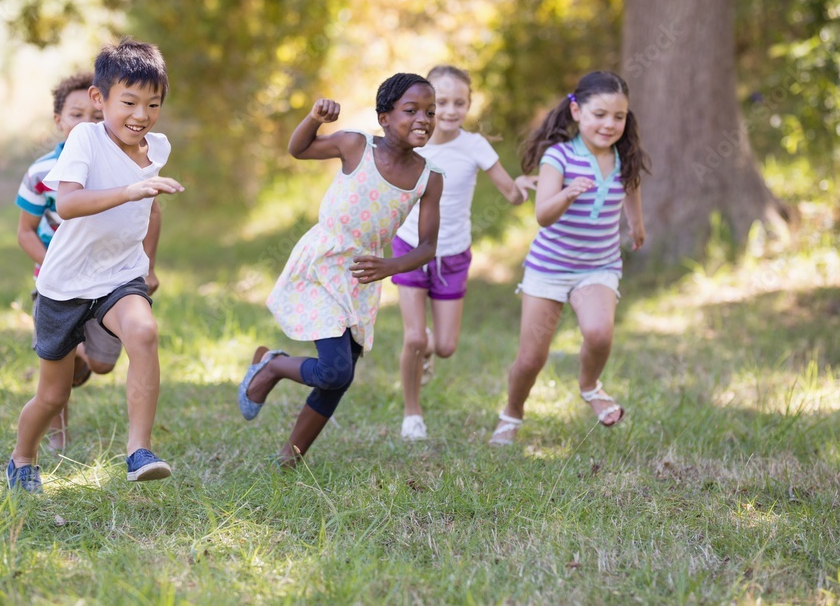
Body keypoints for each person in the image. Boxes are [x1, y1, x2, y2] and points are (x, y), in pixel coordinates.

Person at [236, 73, 445, 467]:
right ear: (384, 117)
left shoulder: (429, 178)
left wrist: (391, 266)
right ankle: (274, 365)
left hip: (362, 274)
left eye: (430, 112)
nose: (424, 119)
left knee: (341, 375)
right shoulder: (355, 145)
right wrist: (314, 118)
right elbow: (299, 149)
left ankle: (290, 457)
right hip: (322, 263)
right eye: (411, 110)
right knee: (333, 370)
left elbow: (428, 247)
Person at [7, 39, 183, 493]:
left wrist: (149, 265)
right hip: (64, 284)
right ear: (99, 99)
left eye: (153, 104)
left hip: (119, 276)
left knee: (144, 333)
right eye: (129, 102)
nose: (141, 115)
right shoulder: (85, 138)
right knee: (52, 396)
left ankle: (138, 451)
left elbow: (153, 210)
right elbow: (67, 203)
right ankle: (22, 459)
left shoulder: (156, 149)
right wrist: (129, 191)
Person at [489, 70, 650, 446]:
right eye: (599, 114)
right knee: (531, 359)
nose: (609, 124)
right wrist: (567, 195)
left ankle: (590, 386)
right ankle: (511, 414)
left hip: (599, 266)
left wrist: (637, 225)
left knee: (598, 333)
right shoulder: (558, 157)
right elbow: (543, 214)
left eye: (619, 116)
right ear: (576, 111)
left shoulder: (624, 157)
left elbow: (632, 188)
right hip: (549, 269)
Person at [391, 65, 537, 441]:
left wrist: (521, 186)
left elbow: (510, 193)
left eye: (460, 102)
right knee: (414, 339)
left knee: (445, 346)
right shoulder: (410, 141)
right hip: (409, 247)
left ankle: (425, 347)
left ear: (470, 105)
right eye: (441, 102)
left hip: (452, 254)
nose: (451, 110)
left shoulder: (474, 146)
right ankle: (412, 414)